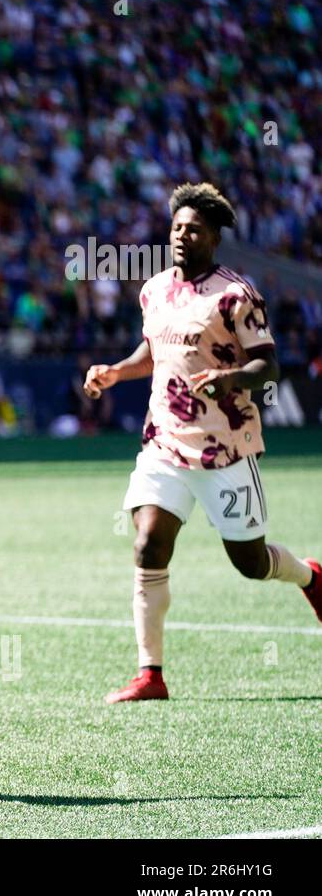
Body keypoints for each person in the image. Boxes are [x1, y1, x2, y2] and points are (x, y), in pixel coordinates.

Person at [84, 182, 322, 704]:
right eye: (176, 228)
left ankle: (310, 577)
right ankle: (151, 674)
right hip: (164, 440)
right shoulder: (155, 290)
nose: (182, 236)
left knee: (250, 563)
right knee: (148, 542)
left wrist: (230, 379)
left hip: (225, 448)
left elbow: (268, 364)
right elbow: (154, 351)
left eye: (193, 229)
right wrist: (114, 373)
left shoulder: (237, 295)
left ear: (214, 237)